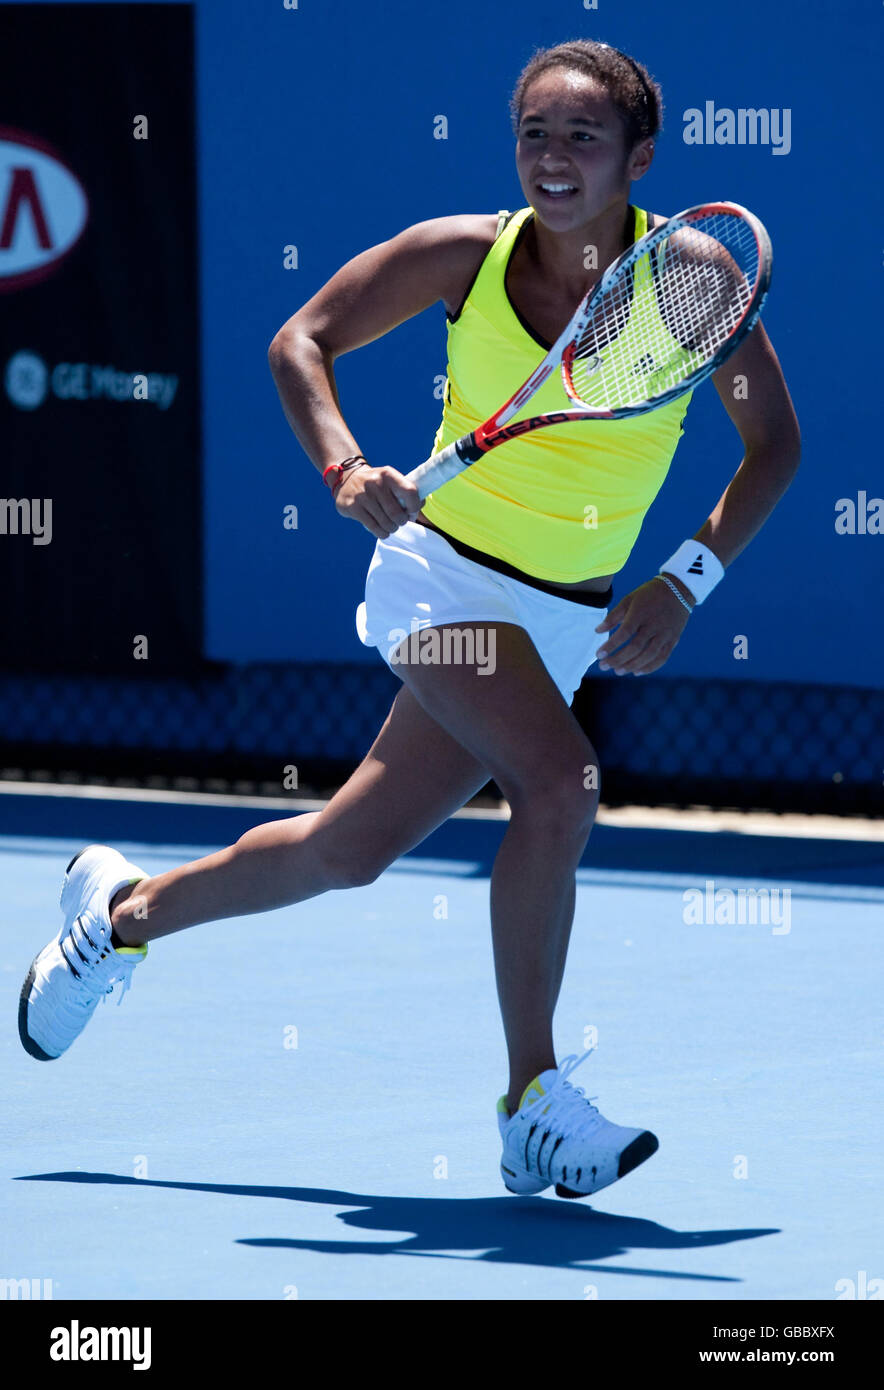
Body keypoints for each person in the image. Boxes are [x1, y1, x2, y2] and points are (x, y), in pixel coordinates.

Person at [18, 40, 800, 1201]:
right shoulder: (461, 255)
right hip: (434, 580)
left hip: (563, 621)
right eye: (534, 131)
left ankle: (117, 920)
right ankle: (530, 1102)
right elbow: (302, 342)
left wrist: (683, 579)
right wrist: (342, 469)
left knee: (346, 850)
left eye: (582, 137)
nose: (551, 156)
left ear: (639, 158)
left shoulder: (686, 281)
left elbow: (772, 447)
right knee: (560, 782)